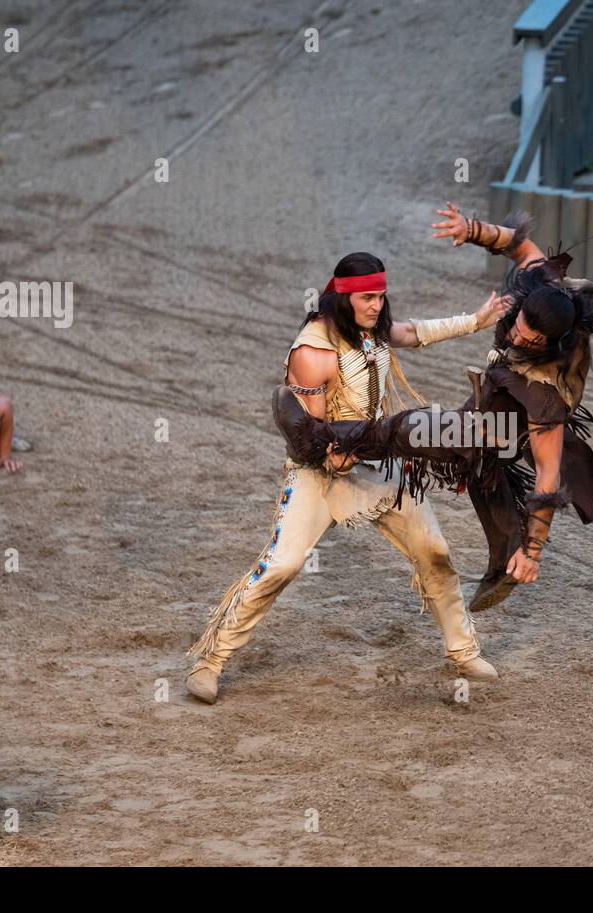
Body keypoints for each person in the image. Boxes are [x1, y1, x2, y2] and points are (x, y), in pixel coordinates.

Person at [184, 254, 511, 704]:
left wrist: (475, 320)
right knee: (282, 564)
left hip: (380, 459)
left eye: (380, 296)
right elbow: (314, 437)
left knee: (433, 551)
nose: (377, 306)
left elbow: (412, 334)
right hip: (322, 472)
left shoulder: (371, 327)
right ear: (343, 297)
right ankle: (211, 660)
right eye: (367, 298)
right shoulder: (313, 351)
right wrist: (337, 459)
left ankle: (463, 650)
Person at [275, 205, 593, 615]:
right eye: (519, 323)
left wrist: (535, 553)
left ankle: (324, 438)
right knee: (479, 464)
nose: (519, 334)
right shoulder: (540, 282)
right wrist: (472, 229)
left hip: (514, 411)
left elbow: (548, 475)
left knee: (410, 429)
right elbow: (519, 244)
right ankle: (504, 555)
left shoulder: (547, 393)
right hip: (494, 393)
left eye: (531, 337)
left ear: (550, 344)